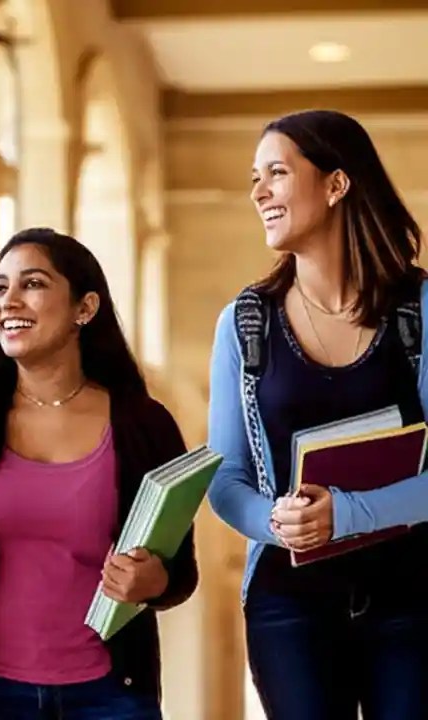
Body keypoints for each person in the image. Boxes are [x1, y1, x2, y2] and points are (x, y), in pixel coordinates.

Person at [0, 228, 197, 720]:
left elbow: (180, 572)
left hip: (109, 697)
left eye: (32, 283)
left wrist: (153, 581)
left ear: (84, 308)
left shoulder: (143, 424)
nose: (9, 300)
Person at [207, 109, 428, 719]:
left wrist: (351, 515)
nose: (259, 192)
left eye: (277, 173)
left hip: (413, 596)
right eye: (255, 177)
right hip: (289, 604)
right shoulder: (244, 324)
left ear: (337, 184)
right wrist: (276, 522)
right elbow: (225, 483)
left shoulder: (420, 311)